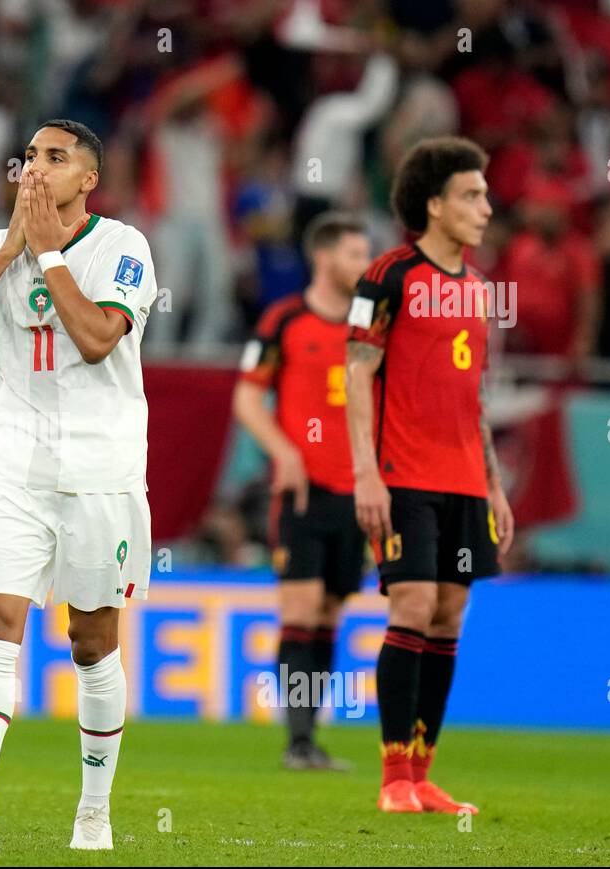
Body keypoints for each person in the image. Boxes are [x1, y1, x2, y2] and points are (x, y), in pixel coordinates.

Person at [0, 119, 157, 851]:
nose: (35, 170)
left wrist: (48, 253)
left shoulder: (123, 247)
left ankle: (93, 813)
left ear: (88, 180)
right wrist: (10, 253)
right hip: (12, 468)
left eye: (55, 158)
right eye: (28, 158)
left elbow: (94, 338)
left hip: (100, 471)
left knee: (91, 641)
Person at [343, 136, 515, 814]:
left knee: (449, 614)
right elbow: (357, 373)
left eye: (485, 194)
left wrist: (495, 482)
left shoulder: (477, 290)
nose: (486, 208)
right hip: (402, 473)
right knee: (412, 604)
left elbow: (475, 396)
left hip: (467, 478)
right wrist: (365, 474)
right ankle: (390, 781)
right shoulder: (386, 276)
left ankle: (420, 774)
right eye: (472, 195)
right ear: (436, 204)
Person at [234, 212, 371, 771]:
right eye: (355, 255)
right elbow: (247, 398)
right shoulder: (285, 320)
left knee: (331, 614)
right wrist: (285, 451)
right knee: (301, 608)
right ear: (325, 257)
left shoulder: (370, 325)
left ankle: (309, 738)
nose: (364, 266)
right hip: (303, 493)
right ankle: (296, 741)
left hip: (358, 493)